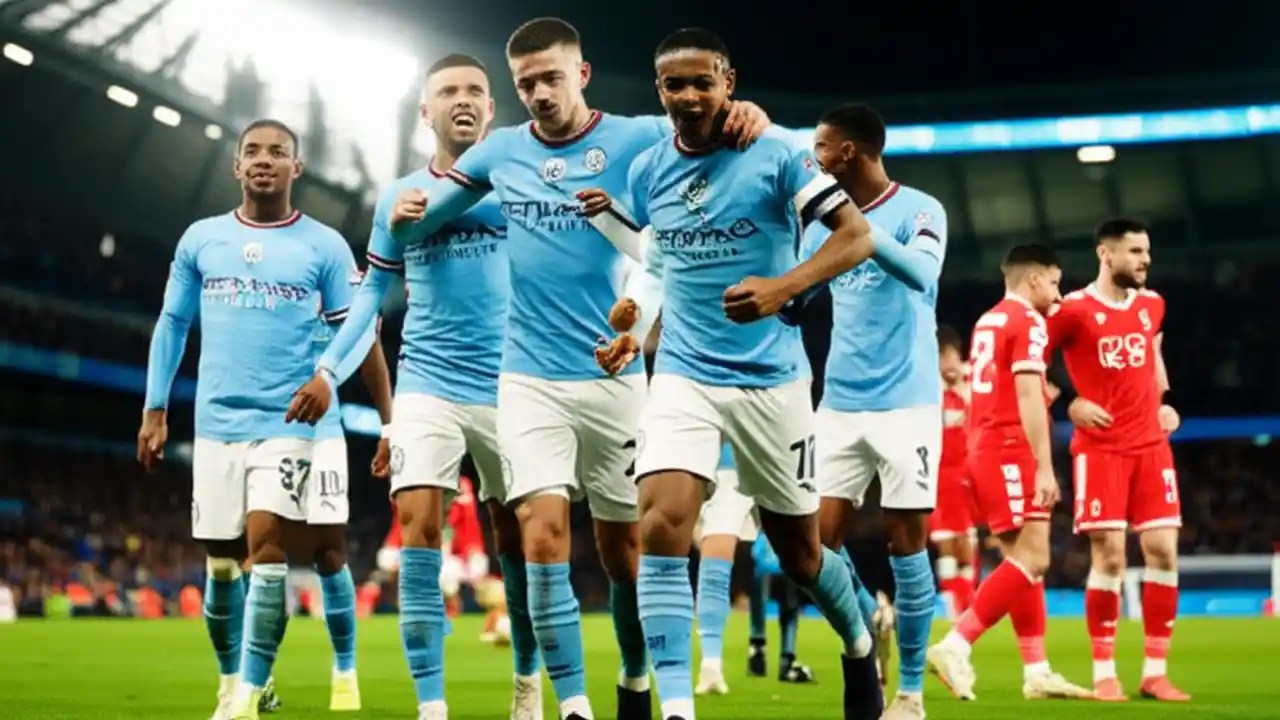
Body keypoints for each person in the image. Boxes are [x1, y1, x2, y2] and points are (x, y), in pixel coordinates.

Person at [307, 18, 771, 720]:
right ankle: (528, 704)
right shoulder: (456, 174)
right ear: (427, 108)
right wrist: (399, 231)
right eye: (525, 82)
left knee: (617, 552)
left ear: (575, 77)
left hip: (594, 373)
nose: (536, 92)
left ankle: (607, 681)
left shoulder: (596, 144)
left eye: (545, 78)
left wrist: (752, 115)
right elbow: (388, 269)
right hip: (481, 380)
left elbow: (695, 131)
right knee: (498, 533)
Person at [587, 27, 885, 720]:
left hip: (772, 380)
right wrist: (632, 327)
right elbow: (657, 261)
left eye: (702, 82)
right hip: (684, 374)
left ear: (728, 82)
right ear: (658, 90)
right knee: (660, 523)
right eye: (673, 85)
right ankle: (678, 707)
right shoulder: (648, 169)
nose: (688, 96)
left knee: (803, 557)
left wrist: (784, 289)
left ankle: (859, 640)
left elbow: (855, 234)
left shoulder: (776, 152)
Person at [306, 53, 535, 720]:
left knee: (517, 541)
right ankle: (431, 709)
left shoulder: (517, 184)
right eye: (447, 91)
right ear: (425, 111)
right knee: (418, 532)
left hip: (510, 380)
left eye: (475, 91)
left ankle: (526, 686)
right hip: (426, 381)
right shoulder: (397, 195)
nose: (462, 100)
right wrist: (328, 370)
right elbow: (369, 299)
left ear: (492, 110)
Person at [137, 119, 375, 720]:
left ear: (297, 169)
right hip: (217, 424)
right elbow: (172, 324)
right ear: (236, 166)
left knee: (272, 550)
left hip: (291, 423)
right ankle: (236, 682)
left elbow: (358, 327)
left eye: (279, 152)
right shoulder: (201, 240)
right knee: (221, 563)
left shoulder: (323, 245)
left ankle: (249, 698)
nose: (265, 160)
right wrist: (155, 407)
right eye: (253, 152)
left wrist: (327, 379)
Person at [804, 102, 947, 720]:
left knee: (905, 542)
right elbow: (795, 295)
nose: (813, 156)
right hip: (838, 402)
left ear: (848, 153)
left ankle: (910, 692)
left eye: (821, 146)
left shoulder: (921, 209)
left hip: (908, 403)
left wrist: (859, 232)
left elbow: (920, 272)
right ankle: (867, 610)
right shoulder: (818, 223)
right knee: (809, 546)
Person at [925, 244, 1092, 702]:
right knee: (1034, 559)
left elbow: (1005, 388)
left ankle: (1036, 670)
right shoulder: (1028, 322)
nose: (1058, 294)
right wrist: (1043, 467)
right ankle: (956, 644)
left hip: (985, 445)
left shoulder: (989, 320)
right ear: (1034, 279)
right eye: (1055, 282)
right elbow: (1024, 399)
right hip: (1009, 448)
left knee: (1024, 562)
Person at [1045, 218, 1188, 702]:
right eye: (1134, 252)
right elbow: (1031, 358)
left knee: (1164, 550)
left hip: (1151, 445)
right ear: (1105, 255)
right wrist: (1070, 401)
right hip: (1101, 450)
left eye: (1147, 251)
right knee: (1108, 556)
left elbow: (1153, 353)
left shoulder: (1153, 305)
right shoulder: (1074, 310)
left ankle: (1155, 671)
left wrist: (1165, 398)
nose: (1145, 260)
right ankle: (1105, 670)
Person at [300, 312, 393, 711]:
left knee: (328, 552)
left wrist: (388, 427)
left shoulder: (340, 268)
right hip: (259, 423)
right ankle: (251, 679)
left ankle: (344, 669)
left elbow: (369, 346)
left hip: (323, 429)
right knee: (254, 553)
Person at [693, 445, 816, 697]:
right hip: (765, 457)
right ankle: (786, 656)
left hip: (724, 465)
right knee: (786, 557)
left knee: (756, 560)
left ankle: (753, 648)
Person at [930, 325, 976, 618]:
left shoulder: (973, 384)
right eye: (941, 357)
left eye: (951, 356)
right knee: (944, 542)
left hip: (969, 473)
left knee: (967, 541)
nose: (947, 362)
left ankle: (970, 604)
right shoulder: (929, 388)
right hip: (937, 476)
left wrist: (962, 387)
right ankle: (951, 605)